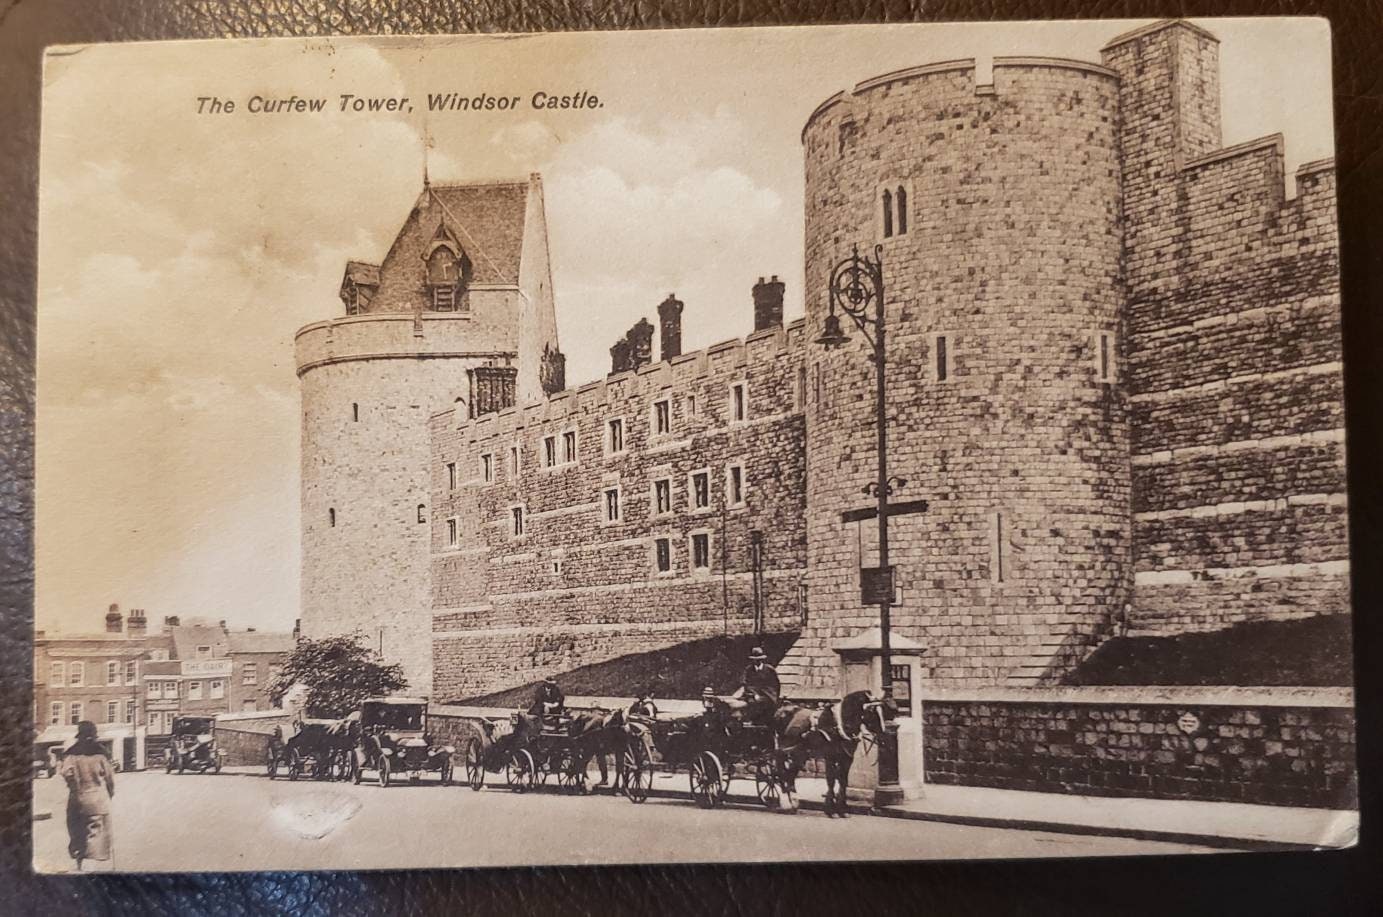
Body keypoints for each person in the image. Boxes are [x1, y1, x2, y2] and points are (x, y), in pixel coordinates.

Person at [60, 721, 115, 872]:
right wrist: (110, 793)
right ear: (94, 735)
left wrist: (73, 786)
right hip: (96, 799)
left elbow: (65, 773)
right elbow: (109, 779)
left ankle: (78, 862)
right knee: (94, 833)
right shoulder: (101, 754)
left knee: (76, 831)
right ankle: (89, 869)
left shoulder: (71, 754)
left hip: (76, 799)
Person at [736, 646, 781, 725]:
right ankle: (752, 721)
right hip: (752, 694)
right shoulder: (749, 670)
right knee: (749, 703)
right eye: (755, 659)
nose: (757, 661)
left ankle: (765, 722)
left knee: (767, 705)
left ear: (762, 659)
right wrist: (755, 694)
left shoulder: (769, 669)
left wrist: (773, 696)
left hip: (768, 694)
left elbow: (776, 685)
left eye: (759, 659)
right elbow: (746, 684)